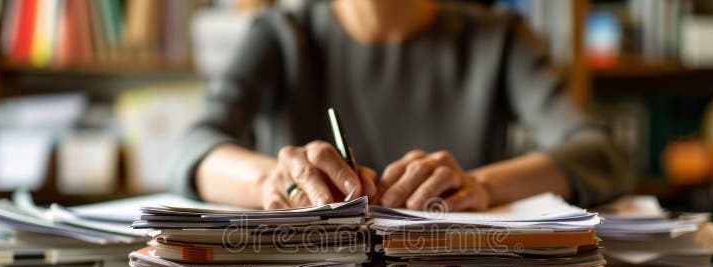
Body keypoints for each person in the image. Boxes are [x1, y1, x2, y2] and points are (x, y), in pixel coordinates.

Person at [169, 0, 632, 211]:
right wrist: (273, 180)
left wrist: (480, 186)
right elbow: (193, 146)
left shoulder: (500, 37)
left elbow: (598, 152)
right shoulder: (278, 33)